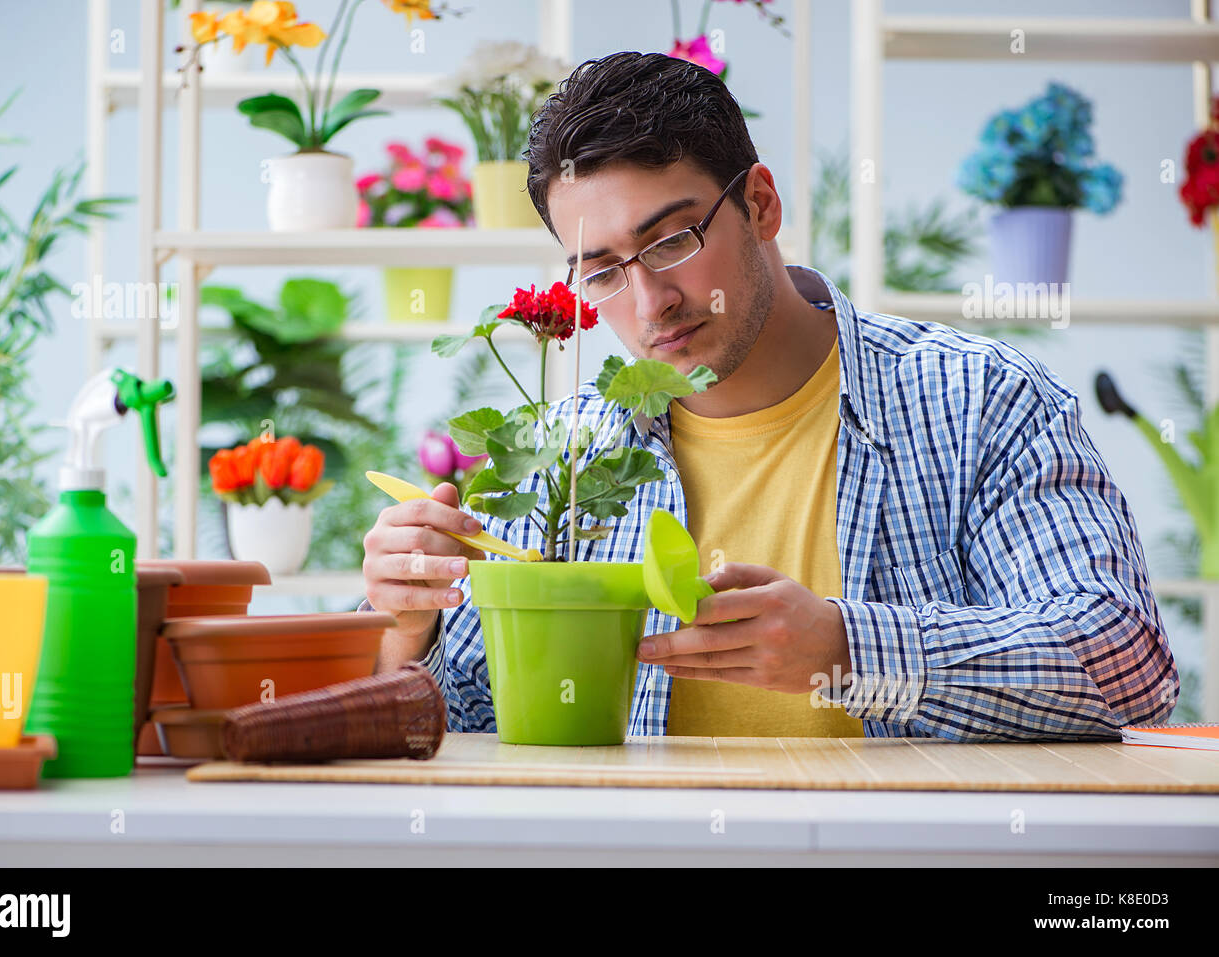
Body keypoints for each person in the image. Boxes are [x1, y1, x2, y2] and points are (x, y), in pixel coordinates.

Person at [360, 50, 1178, 740]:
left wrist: (850, 648)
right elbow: (464, 719)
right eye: (604, 271)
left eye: (672, 241)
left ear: (760, 204)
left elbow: (1125, 661)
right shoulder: (565, 455)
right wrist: (407, 629)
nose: (649, 305)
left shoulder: (980, 400)